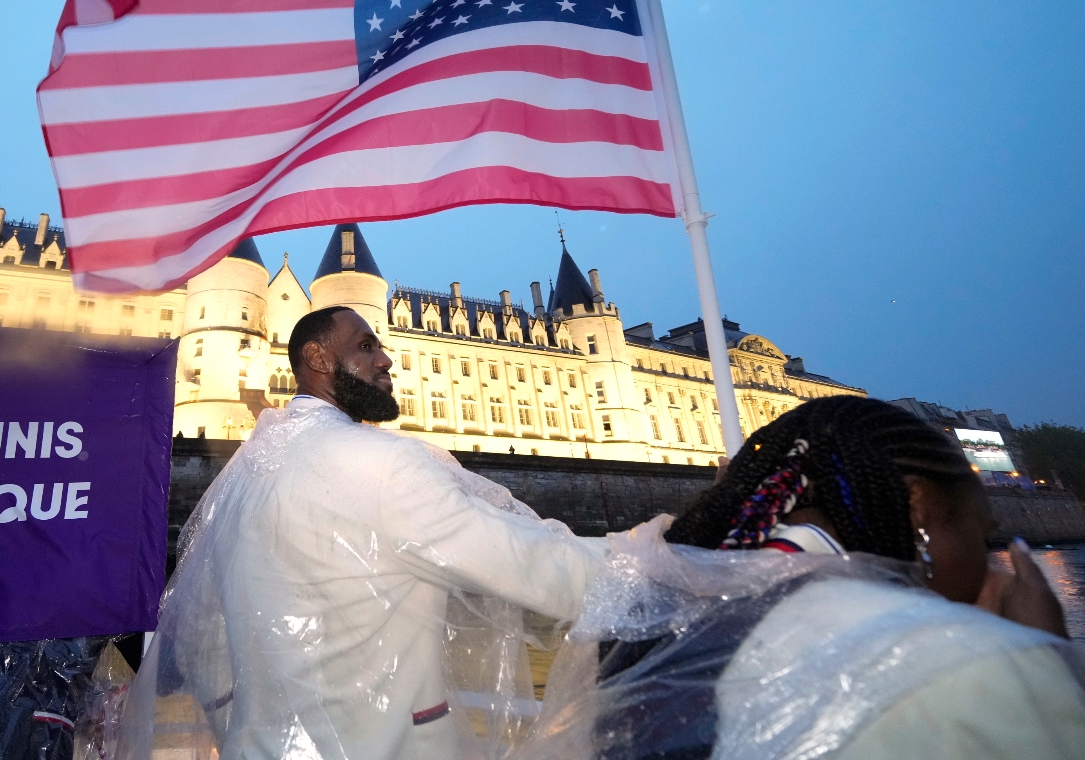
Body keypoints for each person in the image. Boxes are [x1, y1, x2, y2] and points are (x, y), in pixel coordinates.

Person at [117, 306, 607, 760]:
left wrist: (234, 722)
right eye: (367, 346)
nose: (386, 358)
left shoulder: (240, 478)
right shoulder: (385, 464)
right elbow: (527, 562)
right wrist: (655, 564)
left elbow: (202, 632)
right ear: (317, 358)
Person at [531, 396, 1085, 760]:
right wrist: (1041, 657)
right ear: (918, 507)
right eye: (981, 532)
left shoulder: (654, 632)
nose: (988, 559)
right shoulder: (982, 666)